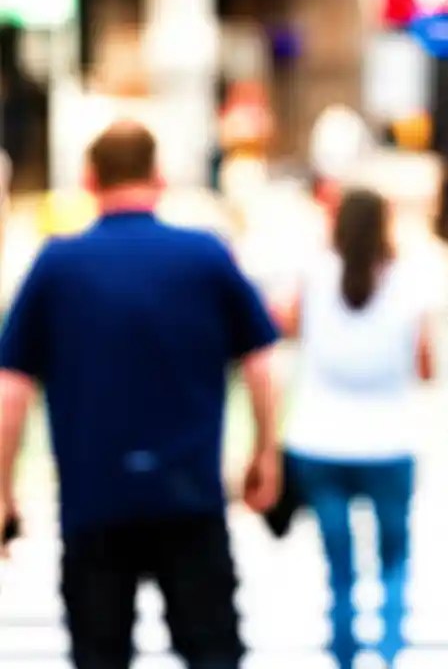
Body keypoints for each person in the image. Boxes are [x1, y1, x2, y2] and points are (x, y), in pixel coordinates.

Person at [0, 120, 281, 668]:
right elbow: (263, 364)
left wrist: (3, 490)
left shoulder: (57, 265)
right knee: (213, 652)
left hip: (93, 503)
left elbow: (11, 391)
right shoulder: (205, 255)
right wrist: (264, 455)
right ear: (159, 177)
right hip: (190, 498)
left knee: (99, 654)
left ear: (89, 179)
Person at [273, 188, 434, 669]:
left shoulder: (314, 274)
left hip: (319, 440)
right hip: (389, 441)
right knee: (393, 558)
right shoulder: (409, 280)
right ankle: (388, 653)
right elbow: (423, 367)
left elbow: (286, 327)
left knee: (339, 568)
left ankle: (343, 656)